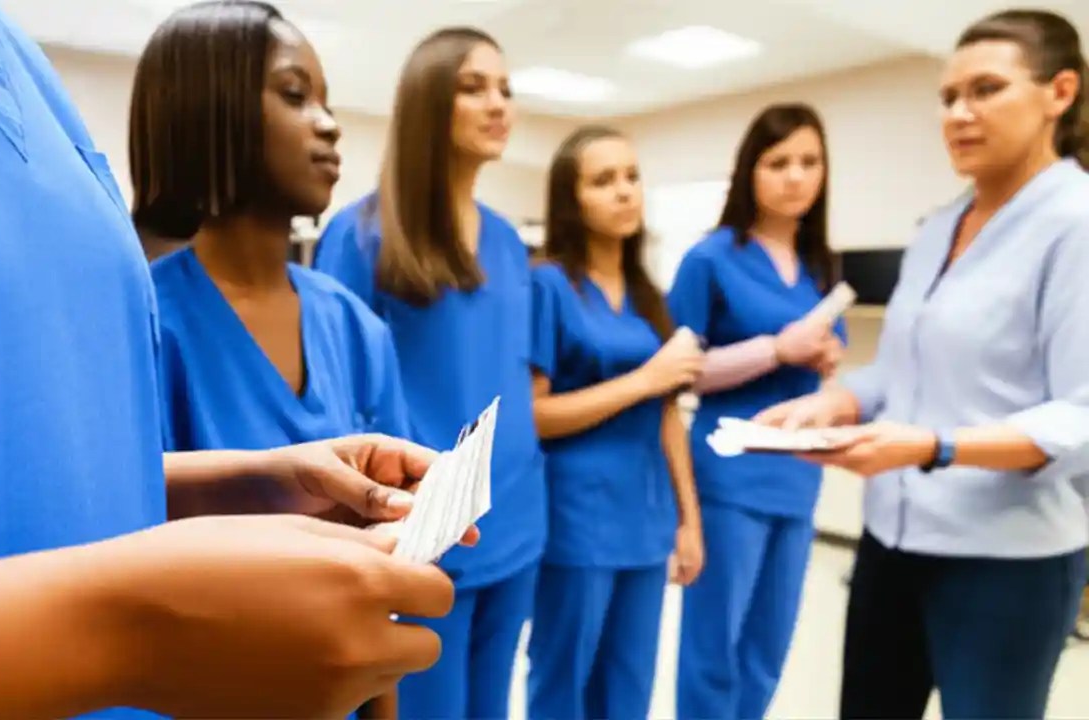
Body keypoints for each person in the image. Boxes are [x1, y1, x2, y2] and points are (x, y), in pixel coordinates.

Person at [0, 2, 466, 718]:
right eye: (293, 94)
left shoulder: (16, 62)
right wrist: (129, 628)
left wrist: (242, 485)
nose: (328, 123)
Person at [758, 10, 1089, 719]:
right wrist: (840, 402)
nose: (959, 114)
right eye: (947, 98)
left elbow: (1081, 417)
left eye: (986, 90)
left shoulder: (1076, 224)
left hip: (1005, 561)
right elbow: (905, 373)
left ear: (1059, 92)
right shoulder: (940, 225)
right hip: (892, 542)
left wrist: (934, 446)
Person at [134, 3, 415, 714]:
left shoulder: (354, 326)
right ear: (210, 109)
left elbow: (388, 565)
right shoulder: (144, 322)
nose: (329, 122)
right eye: (295, 96)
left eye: (325, 99)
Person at [313, 26, 545, 720]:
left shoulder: (507, 241)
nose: (498, 103)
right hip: (423, 538)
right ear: (427, 102)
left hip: (518, 525)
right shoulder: (360, 236)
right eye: (474, 87)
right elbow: (337, 402)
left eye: (504, 88)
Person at [667, 103, 846, 720]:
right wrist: (775, 349)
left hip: (798, 477)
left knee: (769, 647)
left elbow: (826, 367)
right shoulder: (710, 259)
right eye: (778, 163)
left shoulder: (822, 267)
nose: (795, 177)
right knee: (713, 647)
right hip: (728, 476)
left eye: (809, 162)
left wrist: (826, 361)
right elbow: (678, 370)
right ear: (750, 171)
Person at [524, 125, 705, 720]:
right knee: (564, 677)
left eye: (631, 177)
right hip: (578, 518)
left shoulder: (648, 294)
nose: (625, 192)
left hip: (645, 517)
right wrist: (645, 379)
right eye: (603, 181)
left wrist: (689, 520)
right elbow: (535, 415)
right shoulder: (550, 285)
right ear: (571, 200)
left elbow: (668, 417)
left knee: (629, 684)